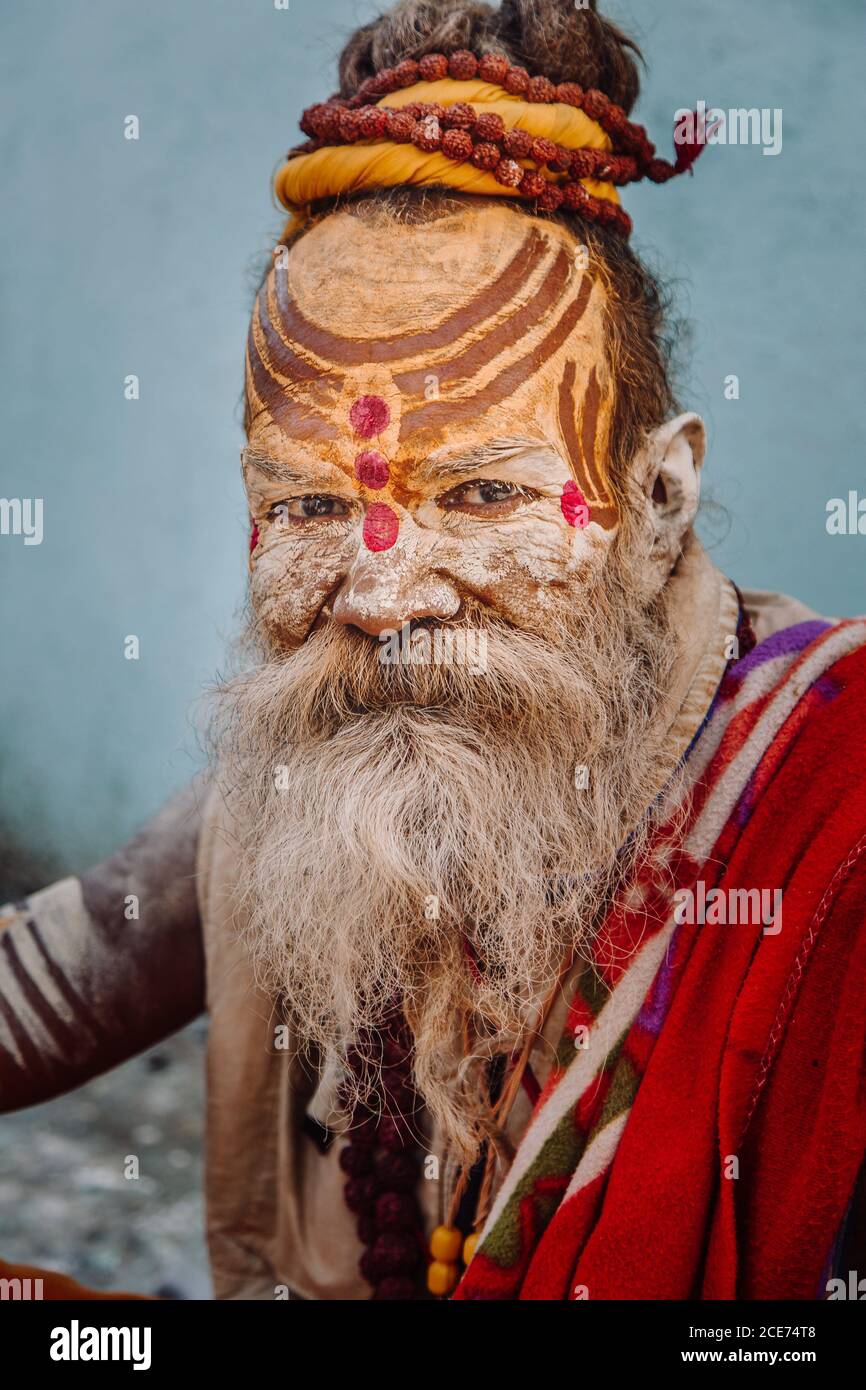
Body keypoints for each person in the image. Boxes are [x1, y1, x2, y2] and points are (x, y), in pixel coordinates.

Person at [2, 0, 865, 1302]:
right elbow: (49, 984)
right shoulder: (302, 790)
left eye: (477, 494)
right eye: (307, 506)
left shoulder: (830, 819)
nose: (380, 591)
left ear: (657, 503)